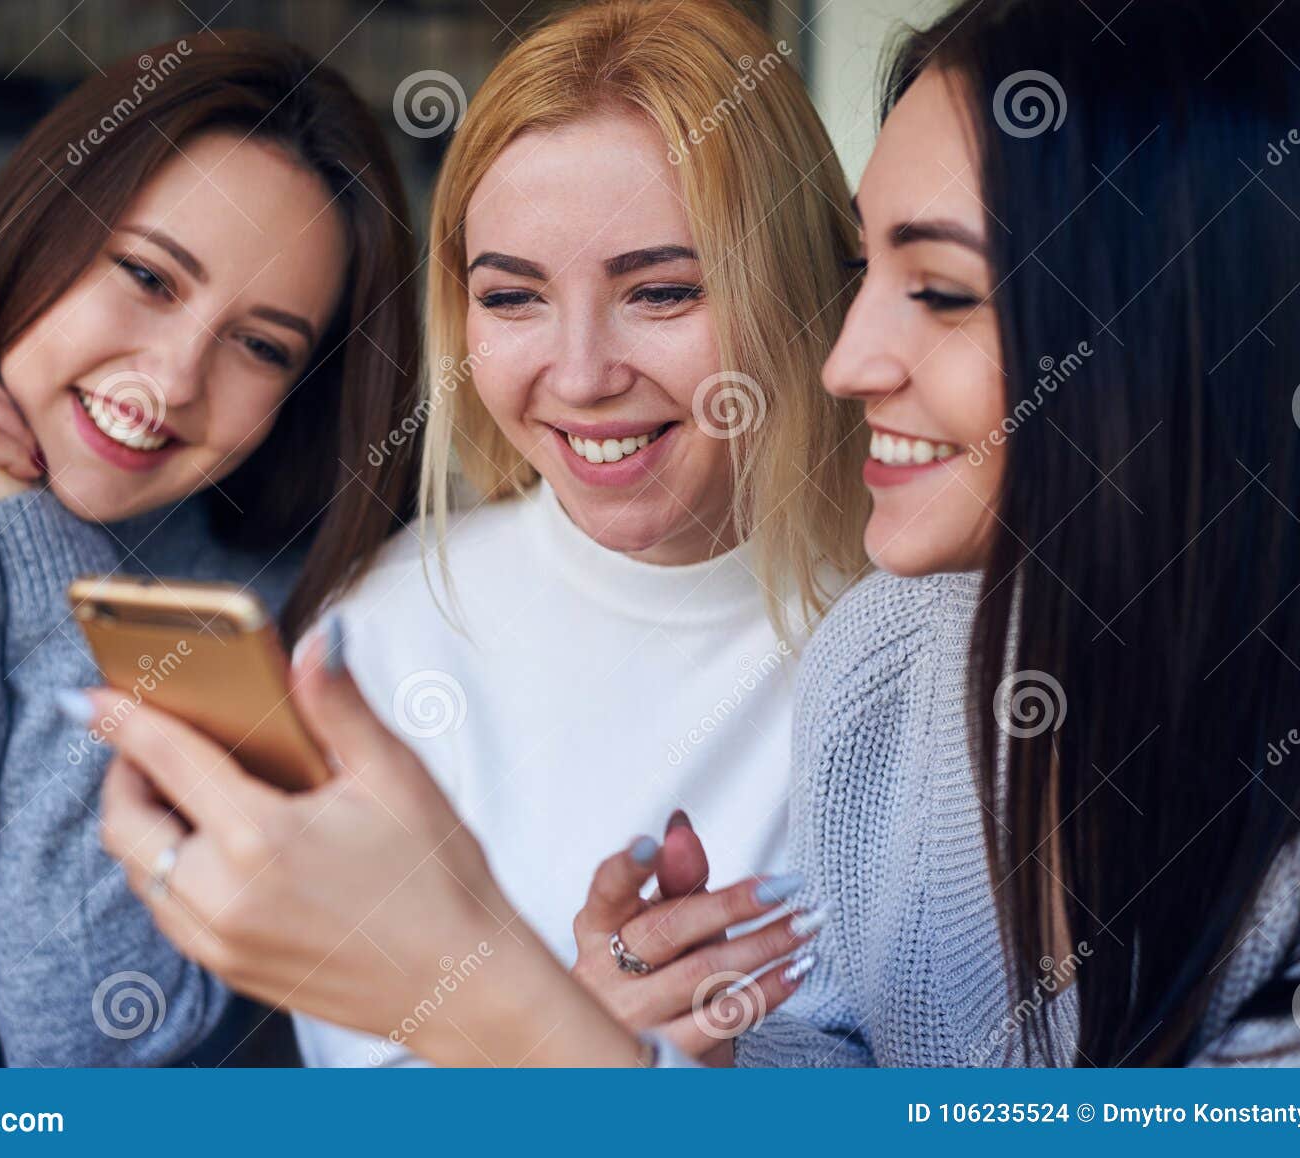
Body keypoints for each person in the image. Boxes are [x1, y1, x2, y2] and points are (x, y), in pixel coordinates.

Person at [99, 0, 1300, 1066]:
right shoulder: (899, 659)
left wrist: (505, 1003)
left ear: (1181, 328)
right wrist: (666, 1039)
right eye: (511, 296)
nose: (849, 355)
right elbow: (867, 1076)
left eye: (935, 290)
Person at [0, 31, 420, 1067]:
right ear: (39, 231)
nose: (173, 380)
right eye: (149, 277)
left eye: (261, 345)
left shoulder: (274, 628)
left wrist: (46, 569)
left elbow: (88, 1053)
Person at [282, 0, 866, 1065]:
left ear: (799, 283)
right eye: (513, 297)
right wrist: (567, 1044)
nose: (583, 375)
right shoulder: (387, 629)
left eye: (662, 290)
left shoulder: (941, 641)